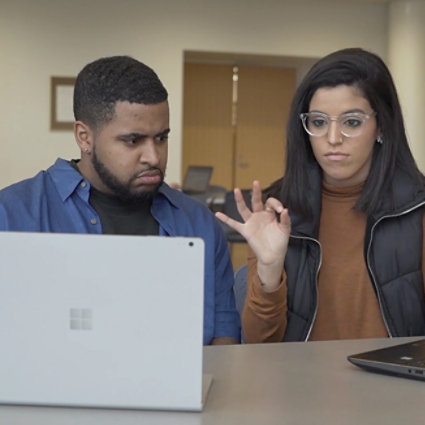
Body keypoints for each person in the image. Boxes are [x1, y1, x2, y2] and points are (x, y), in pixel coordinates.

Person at [0, 55, 240, 345]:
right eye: (132, 140)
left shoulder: (199, 223)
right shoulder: (13, 215)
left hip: (179, 389)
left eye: (161, 138)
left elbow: (223, 339)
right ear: (84, 137)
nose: (153, 157)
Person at [216, 48, 425, 343]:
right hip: (301, 385)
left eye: (351, 122)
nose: (333, 138)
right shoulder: (277, 209)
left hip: (396, 386)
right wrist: (270, 268)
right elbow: (259, 344)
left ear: (382, 125)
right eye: (319, 122)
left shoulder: (417, 207)